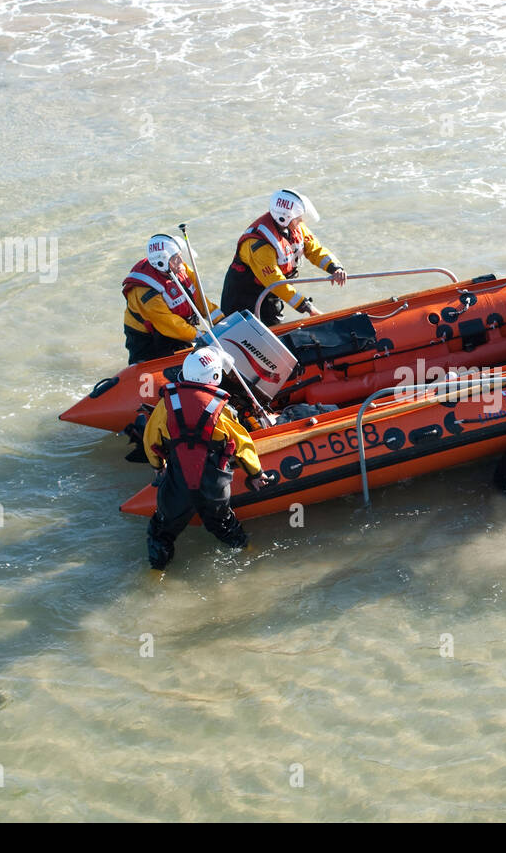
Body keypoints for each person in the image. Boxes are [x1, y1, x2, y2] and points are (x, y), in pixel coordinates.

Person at [142, 347, 270, 569]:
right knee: (226, 527)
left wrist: (158, 465)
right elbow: (242, 444)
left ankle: (157, 571)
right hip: (214, 487)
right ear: (215, 376)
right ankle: (250, 555)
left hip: (177, 486)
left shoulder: (166, 404)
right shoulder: (221, 408)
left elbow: (150, 439)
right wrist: (256, 474)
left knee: (161, 533)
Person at [220, 189, 347, 325]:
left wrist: (335, 268)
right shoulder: (259, 243)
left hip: (272, 293)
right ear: (284, 217)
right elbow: (275, 281)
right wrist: (308, 307)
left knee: (275, 327)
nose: (301, 220)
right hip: (244, 296)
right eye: (298, 218)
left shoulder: (295, 226)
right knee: (248, 334)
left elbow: (314, 249)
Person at [122, 233, 218, 364]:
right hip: (147, 336)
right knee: (149, 367)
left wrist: (221, 320)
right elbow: (167, 322)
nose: (180, 261)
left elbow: (200, 300)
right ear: (161, 262)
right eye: (175, 258)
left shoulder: (180, 269)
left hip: (178, 327)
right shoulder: (146, 291)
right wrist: (200, 336)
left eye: (179, 255)